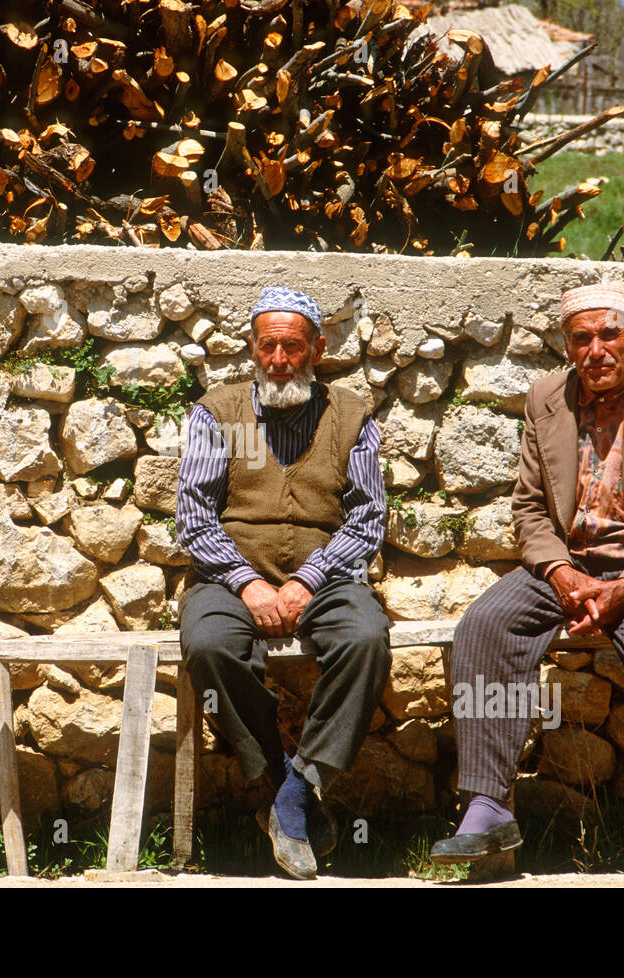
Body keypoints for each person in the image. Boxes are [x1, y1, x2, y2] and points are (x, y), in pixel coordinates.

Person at [429, 283, 624, 888]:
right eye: (582, 339)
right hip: (566, 569)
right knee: (483, 628)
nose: (597, 350)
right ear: (568, 349)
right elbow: (529, 510)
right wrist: (562, 573)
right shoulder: (546, 398)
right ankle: (487, 804)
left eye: (609, 335)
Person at [175, 286, 391, 880]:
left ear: (317, 349)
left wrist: (309, 581)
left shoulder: (350, 416)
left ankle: (299, 787)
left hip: (328, 575)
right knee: (210, 645)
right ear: (251, 347)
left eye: (292, 347)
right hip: (230, 575)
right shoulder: (217, 415)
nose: (278, 359)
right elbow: (193, 517)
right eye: (266, 346)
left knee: (367, 639)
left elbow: (368, 516)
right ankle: (277, 776)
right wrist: (248, 584)